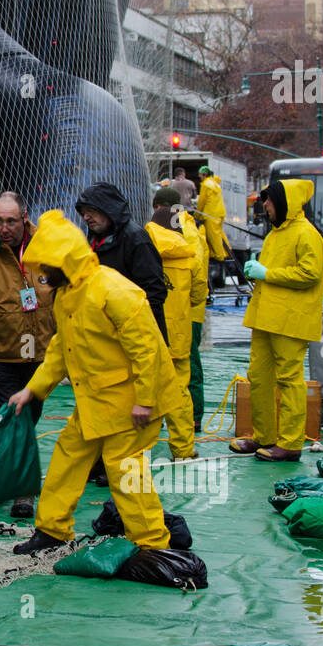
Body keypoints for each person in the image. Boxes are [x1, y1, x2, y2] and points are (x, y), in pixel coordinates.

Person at [7, 211, 183, 554]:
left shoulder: (112, 290)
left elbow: (146, 349)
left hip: (131, 401)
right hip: (100, 399)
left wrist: (145, 400)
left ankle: (153, 544)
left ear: (64, 260)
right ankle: (53, 529)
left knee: (126, 472)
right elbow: (61, 348)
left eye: (45, 266)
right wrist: (33, 388)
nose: (41, 275)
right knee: (67, 458)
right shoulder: (70, 293)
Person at [75, 182, 168, 485]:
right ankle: (100, 462)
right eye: (84, 212)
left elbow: (154, 292)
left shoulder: (135, 240)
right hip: (104, 340)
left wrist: (132, 327)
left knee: (128, 408)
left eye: (92, 212)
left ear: (109, 211)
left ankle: (117, 465)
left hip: (131, 337)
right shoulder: (98, 239)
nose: (86, 218)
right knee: (102, 402)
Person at [0, 192, 57, 519]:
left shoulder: (45, 247)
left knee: (29, 416)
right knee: (7, 416)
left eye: (10, 221)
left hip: (36, 350)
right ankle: (23, 491)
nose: (4, 228)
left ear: (24, 218)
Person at [231, 179, 323, 462]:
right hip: (266, 318)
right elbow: (277, 271)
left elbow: (310, 273)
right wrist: (258, 272)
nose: (265, 205)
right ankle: (264, 436)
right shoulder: (276, 233)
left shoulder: (306, 234)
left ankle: (290, 443)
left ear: (284, 201)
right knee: (258, 377)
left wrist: (266, 273)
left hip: (290, 319)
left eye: (269, 200)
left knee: (289, 380)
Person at [146, 187, 208, 459]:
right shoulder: (190, 244)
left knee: (144, 389)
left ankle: (137, 450)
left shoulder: (143, 242)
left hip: (147, 329)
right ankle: (183, 448)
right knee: (180, 391)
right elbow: (198, 294)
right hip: (180, 330)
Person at [180, 199, 211, 433]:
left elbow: (197, 274)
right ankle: (187, 414)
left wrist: (191, 301)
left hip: (186, 312)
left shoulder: (186, 231)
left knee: (188, 362)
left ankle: (193, 415)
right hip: (184, 310)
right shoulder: (189, 230)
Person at [197, 166, 228, 261]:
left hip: (210, 214)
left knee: (213, 237)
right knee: (219, 235)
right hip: (219, 213)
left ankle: (219, 256)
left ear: (204, 175)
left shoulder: (206, 185)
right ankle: (227, 252)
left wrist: (197, 215)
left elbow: (202, 201)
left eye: (200, 175)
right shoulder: (215, 183)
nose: (199, 177)